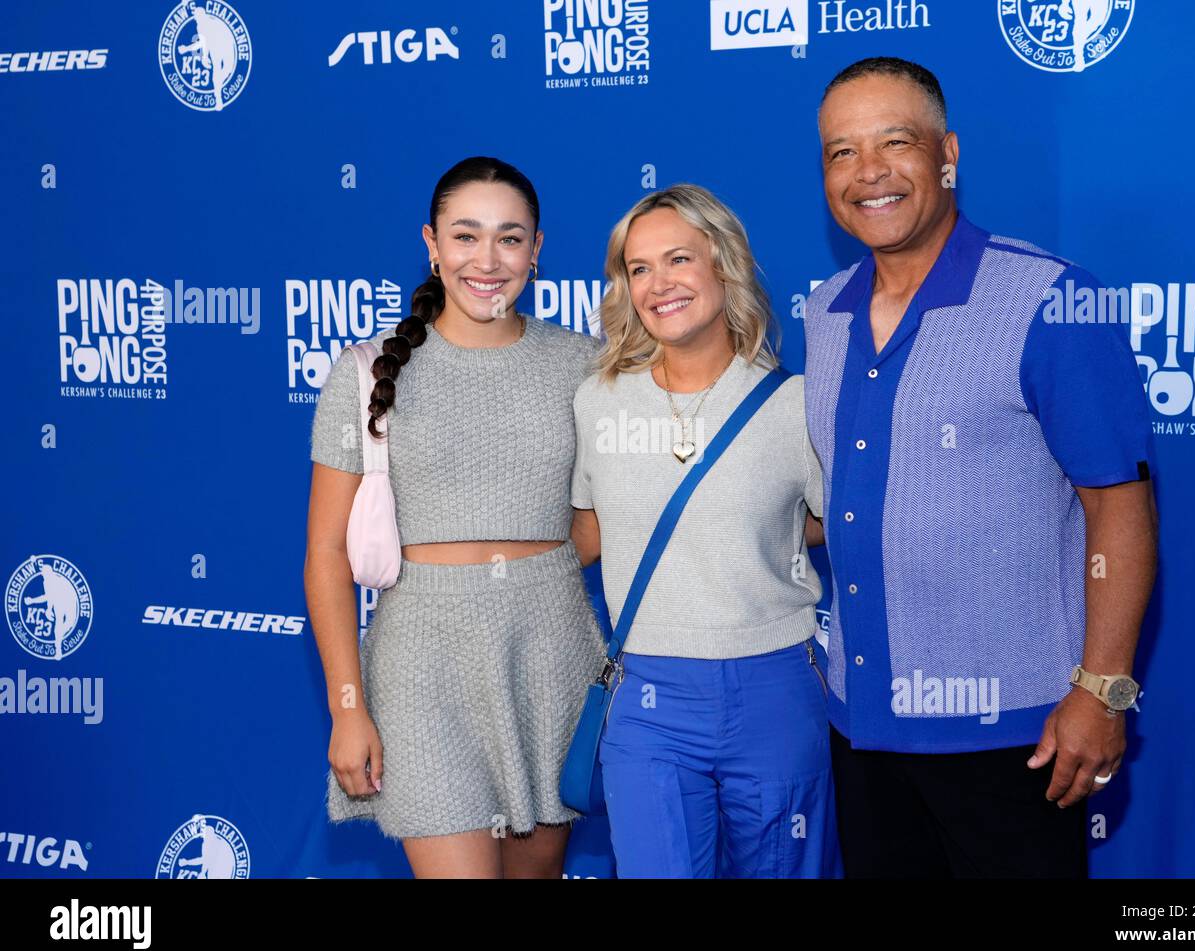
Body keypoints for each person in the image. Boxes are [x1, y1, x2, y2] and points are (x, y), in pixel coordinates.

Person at [805, 57, 1158, 877]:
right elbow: (844, 500)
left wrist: (1103, 688)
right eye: (841, 152)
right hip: (862, 728)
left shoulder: (1050, 299)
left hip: (1018, 734)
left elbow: (1120, 506)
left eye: (895, 142)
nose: (868, 174)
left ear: (947, 153)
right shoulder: (825, 311)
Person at [305, 156, 606, 878]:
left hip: (552, 653)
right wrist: (349, 706)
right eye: (465, 236)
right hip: (420, 665)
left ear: (537, 251)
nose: (487, 259)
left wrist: (535, 570)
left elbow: (605, 516)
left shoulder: (586, 365)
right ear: (432, 245)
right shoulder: (367, 371)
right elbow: (326, 556)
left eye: (510, 238)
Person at [569, 183, 842, 878]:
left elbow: (829, 523)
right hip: (649, 698)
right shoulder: (598, 402)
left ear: (723, 264)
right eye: (639, 268)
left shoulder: (796, 405)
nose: (659, 283)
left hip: (777, 684)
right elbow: (585, 534)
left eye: (679, 259)